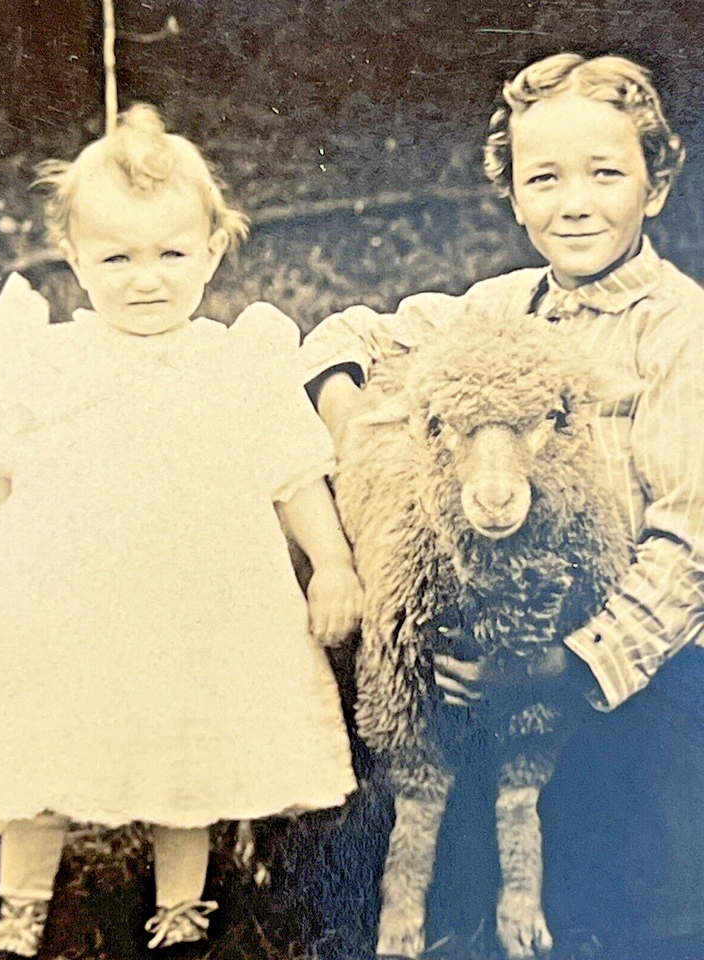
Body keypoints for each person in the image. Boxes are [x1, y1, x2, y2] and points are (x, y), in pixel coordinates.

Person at [0, 104, 361, 957]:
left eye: (171, 255)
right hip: (71, 604)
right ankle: (21, 901)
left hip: (196, 606)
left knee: (188, 745)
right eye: (116, 259)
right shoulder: (52, 363)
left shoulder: (235, 366)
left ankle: (181, 904)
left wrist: (332, 563)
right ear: (73, 257)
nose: (145, 280)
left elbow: (294, 474)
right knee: (42, 733)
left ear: (213, 252)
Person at [301, 51, 704, 719]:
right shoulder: (502, 308)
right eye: (544, 179)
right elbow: (346, 335)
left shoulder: (681, 330)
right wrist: (352, 424)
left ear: (654, 187)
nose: (574, 205)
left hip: (650, 666)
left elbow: (691, 542)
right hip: (513, 639)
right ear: (515, 200)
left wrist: (567, 667)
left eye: (605, 174)